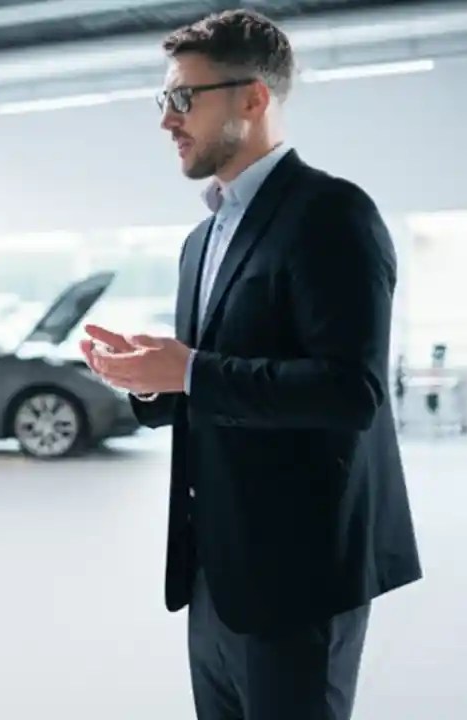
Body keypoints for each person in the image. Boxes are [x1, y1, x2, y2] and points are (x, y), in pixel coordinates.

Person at [80, 10, 422, 720]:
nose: (166, 121)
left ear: (253, 99)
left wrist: (192, 371)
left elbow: (349, 392)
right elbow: (209, 377)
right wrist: (148, 379)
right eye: (163, 101)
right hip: (215, 569)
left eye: (183, 98)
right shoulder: (201, 239)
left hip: (300, 574)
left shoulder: (332, 214)